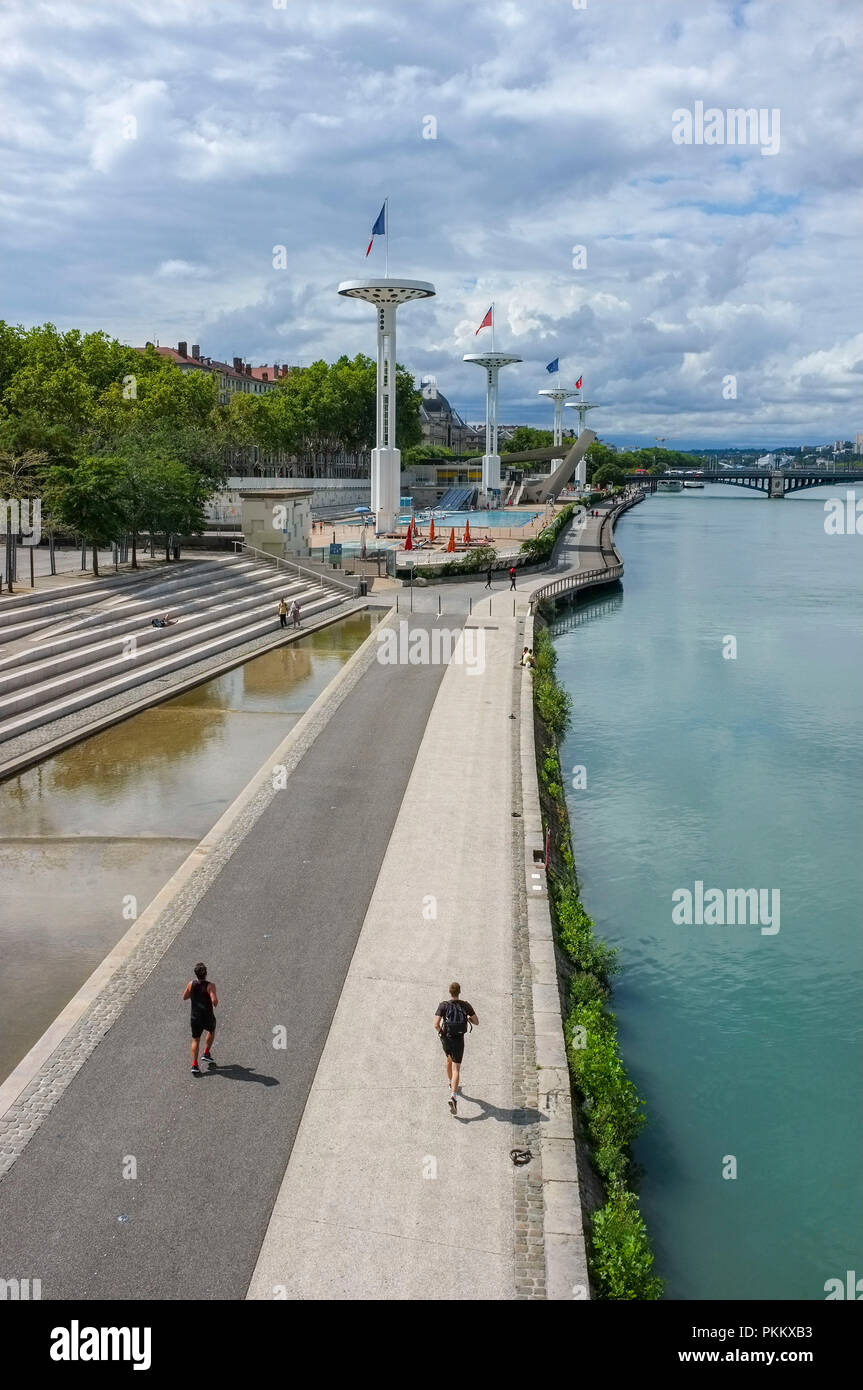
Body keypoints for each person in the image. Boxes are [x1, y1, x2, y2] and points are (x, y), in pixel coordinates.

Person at [435, 982, 478, 1115]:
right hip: (459, 1039)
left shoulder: (444, 1005)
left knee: (449, 1060)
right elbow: (476, 1022)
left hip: (447, 1038)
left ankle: (451, 1083)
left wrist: (442, 1035)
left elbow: (436, 1024)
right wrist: (468, 1018)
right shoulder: (465, 1005)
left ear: (449, 992)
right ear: (459, 992)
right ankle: (453, 1095)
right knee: (456, 1068)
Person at [183, 962, 218, 1075]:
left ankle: (194, 1064)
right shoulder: (210, 986)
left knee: (195, 1040)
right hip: (207, 1016)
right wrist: (215, 1001)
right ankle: (206, 1053)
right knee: (211, 1031)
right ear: (206, 973)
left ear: (196, 974)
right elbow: (214, 1000)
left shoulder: (191, 984)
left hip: (195, 1017)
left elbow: (185, 997)